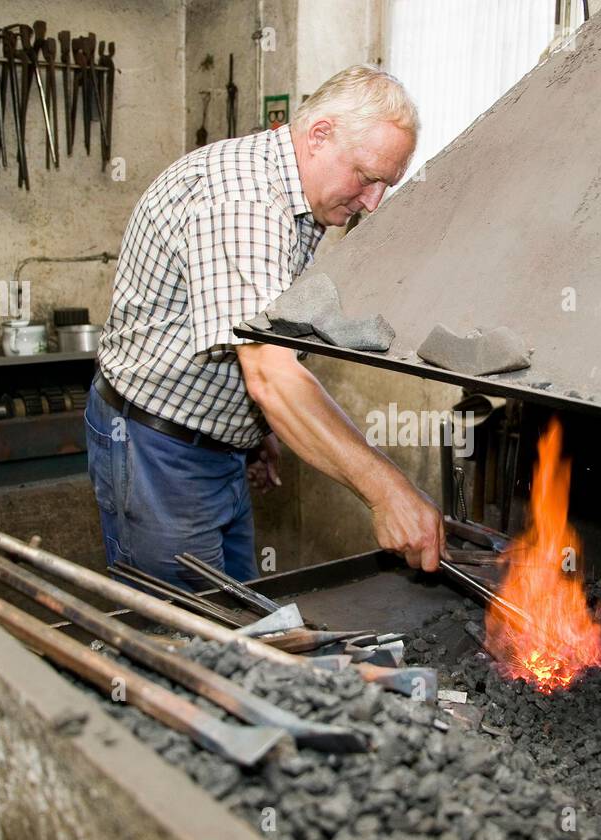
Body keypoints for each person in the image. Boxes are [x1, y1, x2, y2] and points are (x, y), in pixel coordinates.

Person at [86, 65, 445, 590]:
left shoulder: (301, 200)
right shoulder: (245, 200)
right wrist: (387, 491)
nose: (373, 202)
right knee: (183, 642)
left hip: (218, 449)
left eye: (385, 186)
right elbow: (272, 376)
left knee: (242, 624)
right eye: (367, 177)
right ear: (319, 135)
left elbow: (258, 337)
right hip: (155, 453)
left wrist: (256, 426)